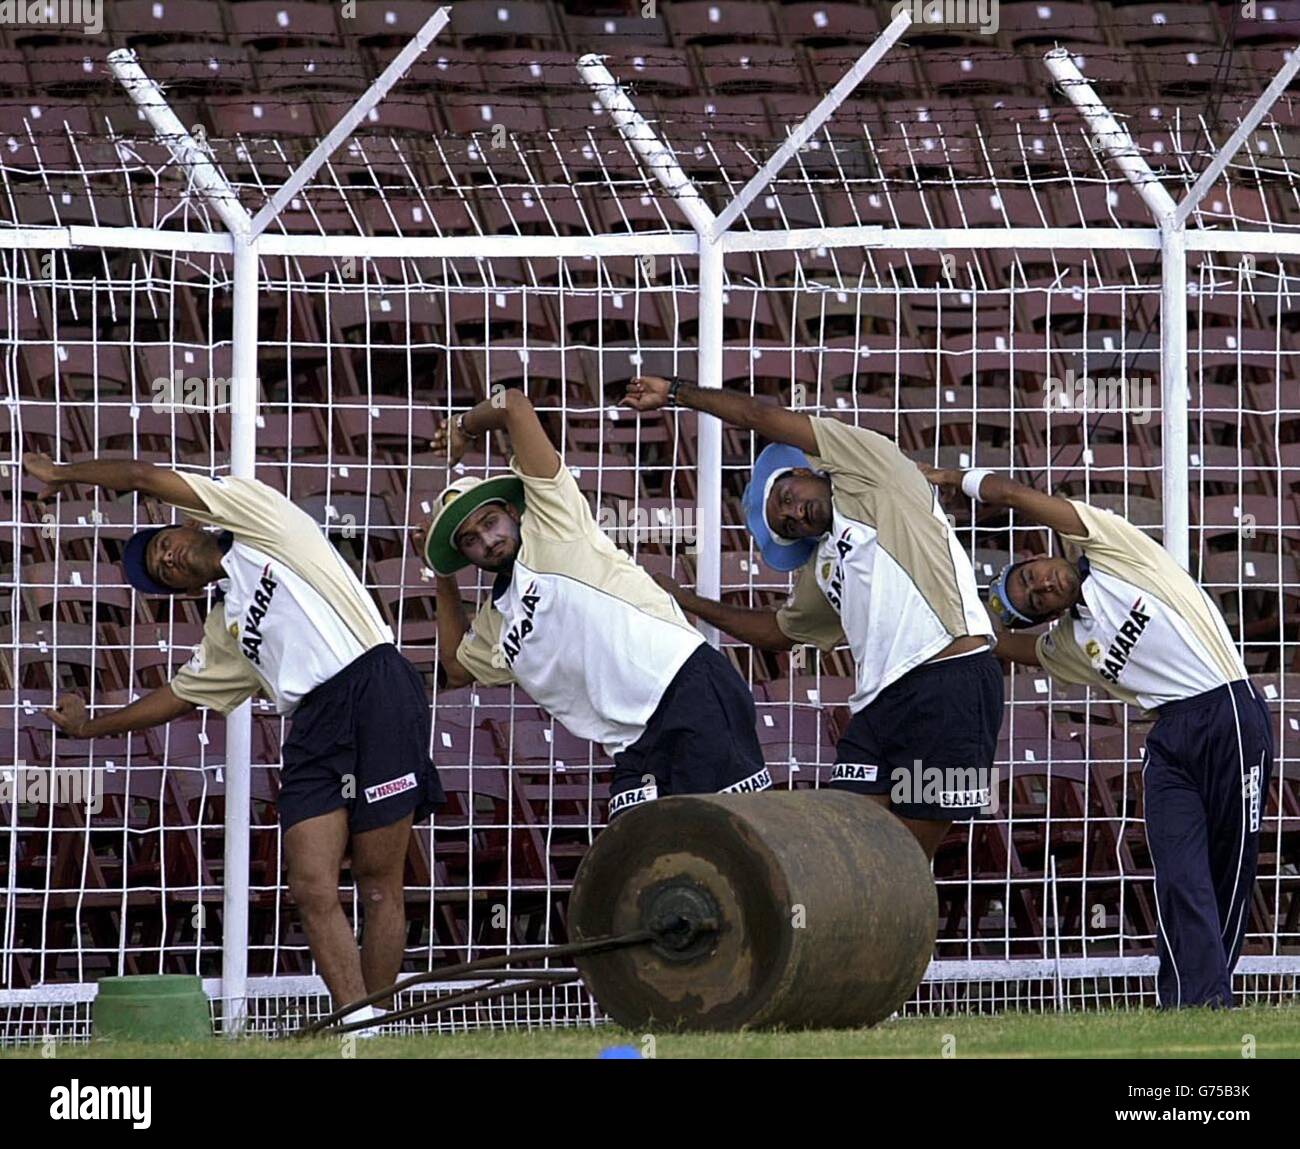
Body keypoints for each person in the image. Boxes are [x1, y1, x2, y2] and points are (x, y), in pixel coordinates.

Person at [23, 451, 443, 1031]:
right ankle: (358, 1029)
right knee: (311, 880)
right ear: (179, 590)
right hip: (312, 721)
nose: (165, 559)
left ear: (185, 523)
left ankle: (381, 1021)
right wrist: (88, 726)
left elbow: (145, 475)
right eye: (158, 572)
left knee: (377, 879)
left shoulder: (256, 517)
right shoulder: (228, 626)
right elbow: (178, 695)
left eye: (160, 544)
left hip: (375, 685)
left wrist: (62, 475)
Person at [922, 462, 1274, 1008]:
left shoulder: (1112, 550)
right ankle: (1190, 1000)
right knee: (1179, 870)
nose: (1041, 583)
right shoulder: (1067, 644)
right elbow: (992, 645)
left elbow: (1016, 495)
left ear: (1040, 555)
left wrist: (950, 479)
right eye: (1033, 599)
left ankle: (1206, 999)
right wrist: (928, 628)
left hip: (1228, 708)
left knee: (1227, 868)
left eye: (1032, 572)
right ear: (1043, 617)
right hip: (1169, 738)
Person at [621, 376, 1001, 858]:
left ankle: (894, 932)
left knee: (905, 860)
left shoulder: (870, 468)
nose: (795, 514)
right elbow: (780, 631)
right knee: (844, 847)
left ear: (804, 471)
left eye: (787, 498)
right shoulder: (819, 566)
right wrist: (686, 601)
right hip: (878, 705)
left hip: (951, 681)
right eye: (788, 524)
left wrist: (676, 393)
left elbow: (759, 417)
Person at [424, 388, 771, 817]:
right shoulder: (496, 623)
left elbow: (512, 403)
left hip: (684, 687)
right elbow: (456, 669)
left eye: (490, 522)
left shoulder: (553, 521)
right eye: (470, 541)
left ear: (513, 513)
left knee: (725, 851)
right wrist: (441, 573)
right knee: (641, 864)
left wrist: (463, 427)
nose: (488, 541)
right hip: (633, 741)